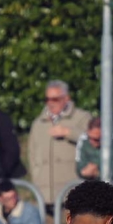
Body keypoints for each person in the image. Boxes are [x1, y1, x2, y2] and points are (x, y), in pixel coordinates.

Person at [27, 80, 93, 209]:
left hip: (72, 192)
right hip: (44, 194)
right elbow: (32, 154)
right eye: (47, 99)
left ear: (66, 98)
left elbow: (93, 140)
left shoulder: (82, 118)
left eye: (55, 99)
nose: (50, 103)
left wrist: (69, 133)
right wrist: (36, 176)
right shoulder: (38, 123)